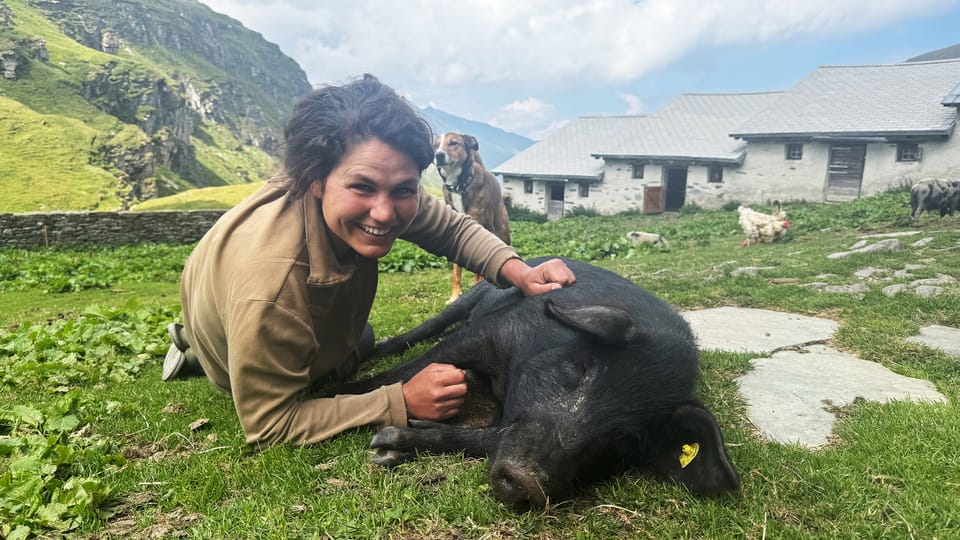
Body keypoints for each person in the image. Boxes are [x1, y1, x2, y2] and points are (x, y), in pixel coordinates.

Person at [163, 74, 576, 447]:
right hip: (246, 307)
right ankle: (204, 352)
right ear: (316, 179)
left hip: (236, 302)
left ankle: (206, 341)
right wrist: (399, 400)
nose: (384, 212)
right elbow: (271, 424)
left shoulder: (371, 182)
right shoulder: (273, 287)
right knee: (324, 367)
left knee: (359, 339)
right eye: (362, 187)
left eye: (403, 189)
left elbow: (451, 228)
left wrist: (519, 271)